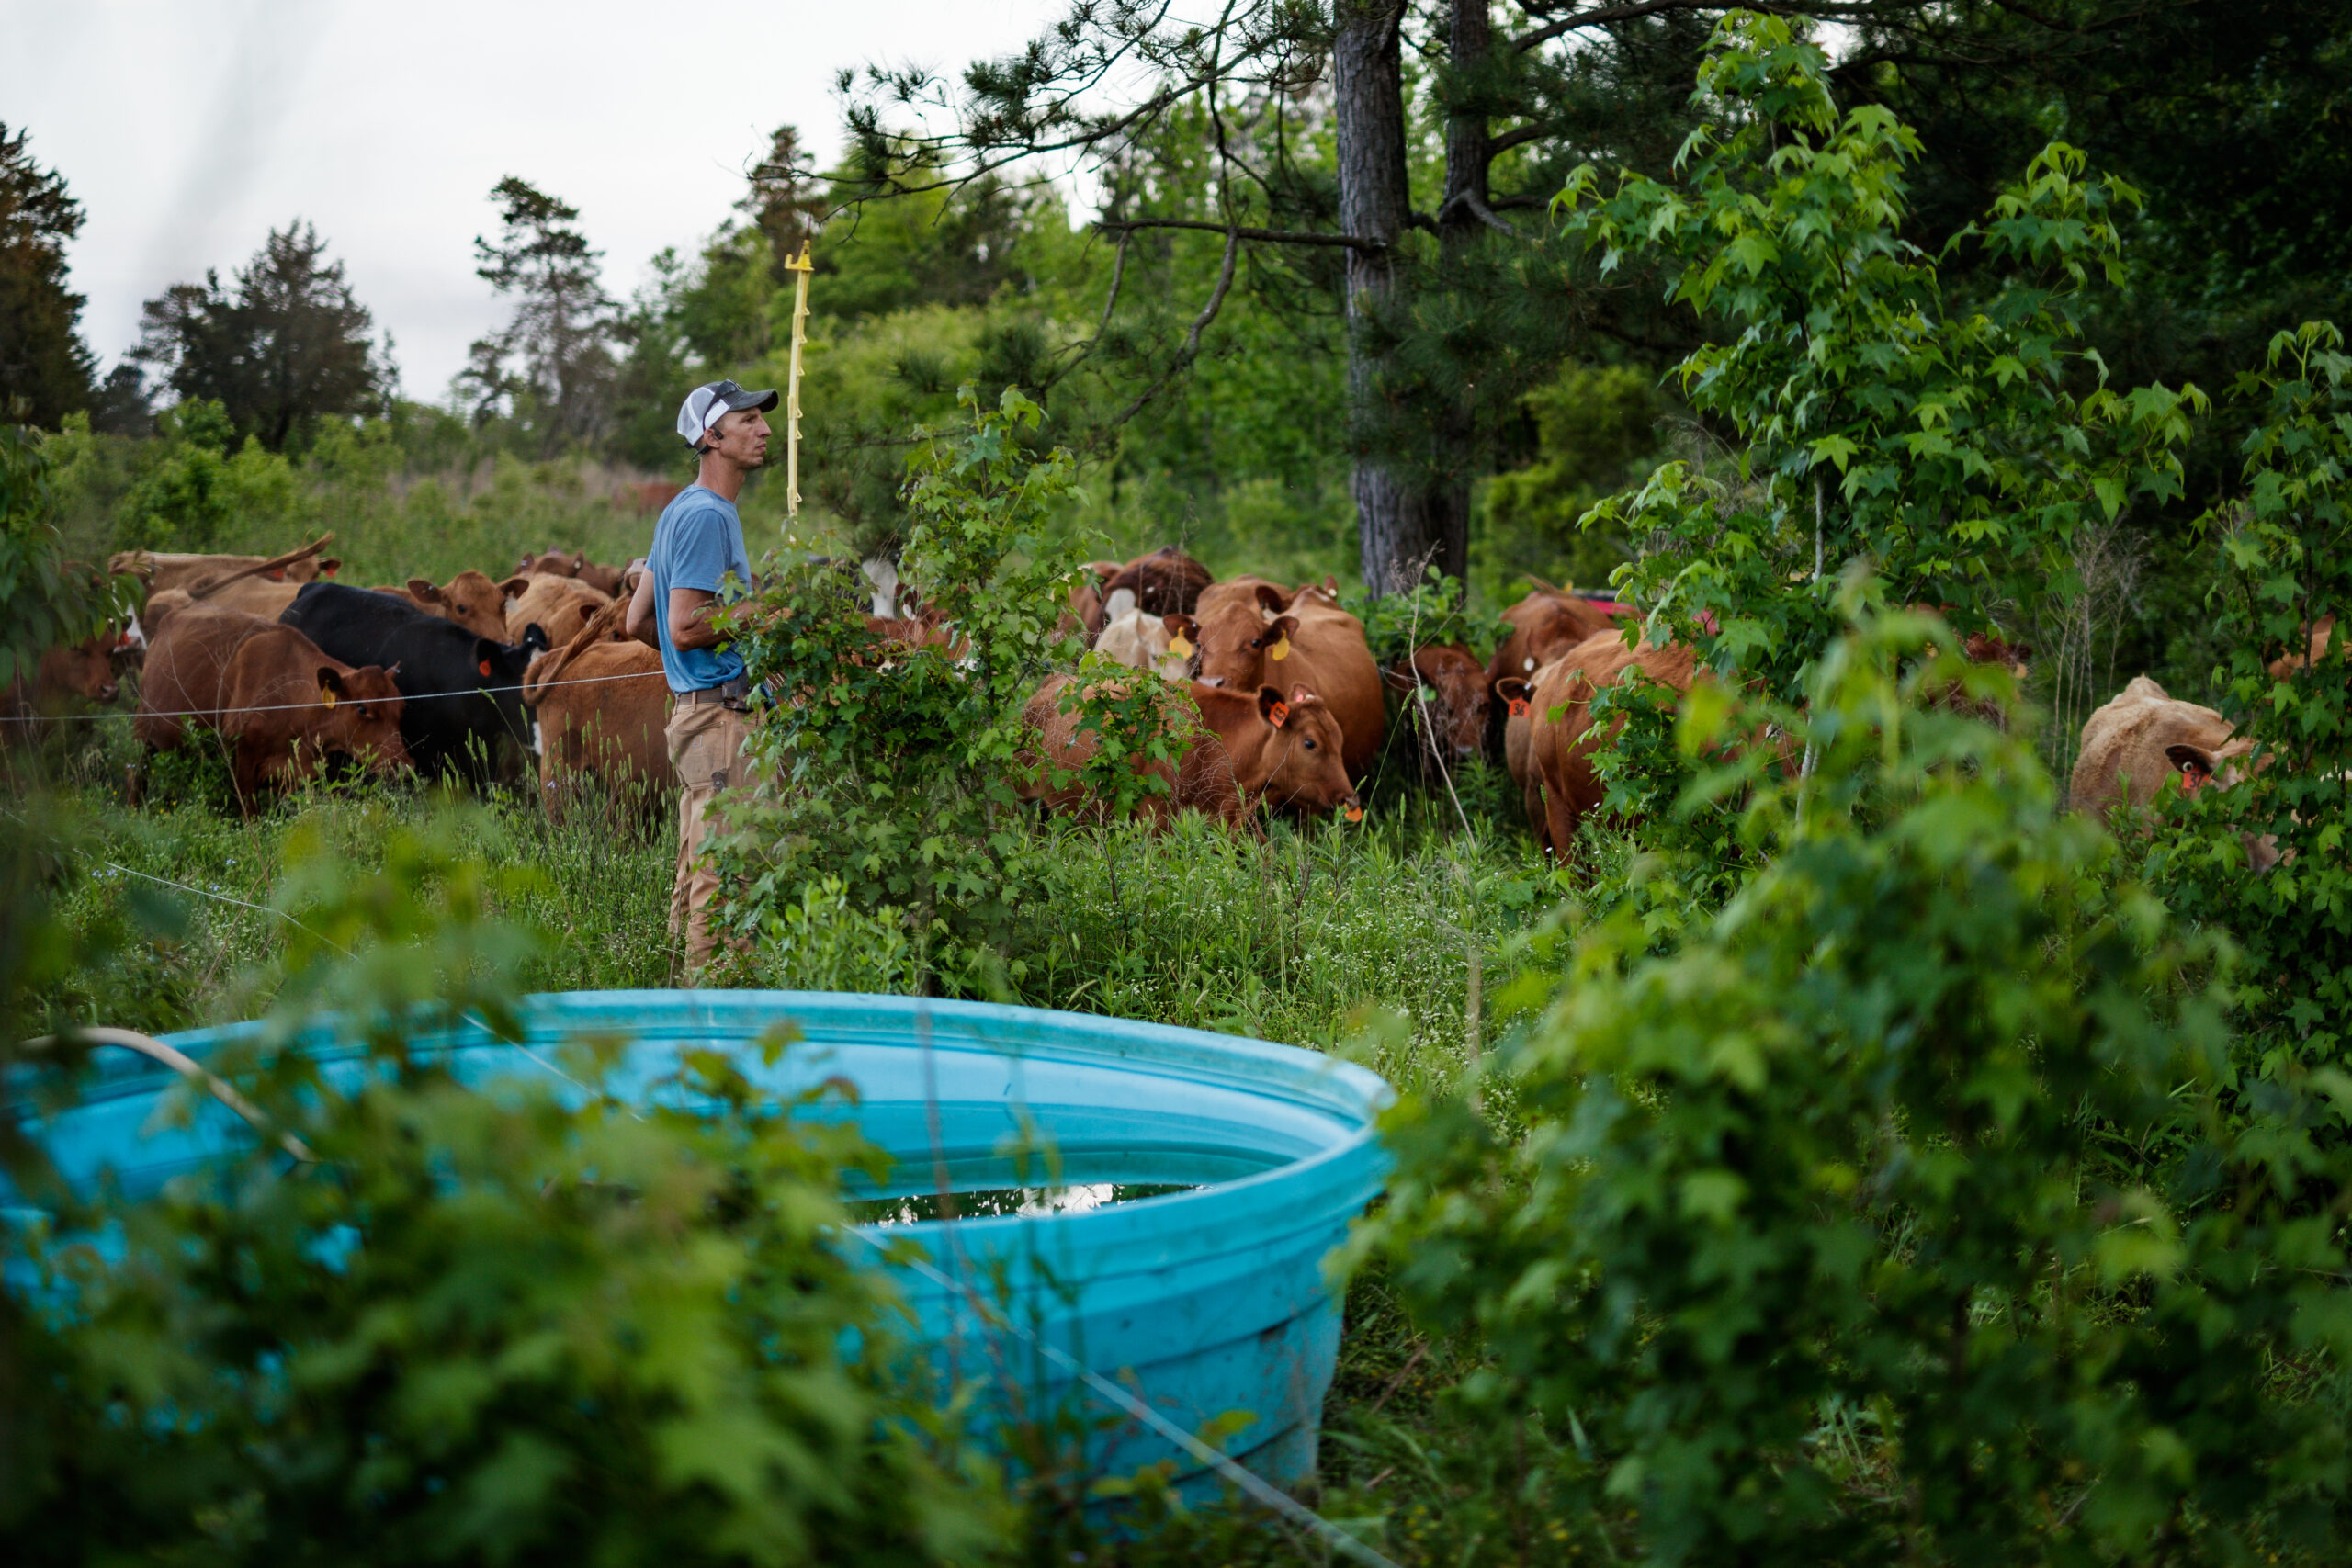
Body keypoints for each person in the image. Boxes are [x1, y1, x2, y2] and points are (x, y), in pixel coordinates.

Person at [626, 378, 777, 975]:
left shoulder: (679, 511)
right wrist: (768, 611)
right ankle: (716, 1016)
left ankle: (670, 990)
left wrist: (686, 661)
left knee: (696, 866)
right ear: (711, 436)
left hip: (697, 711)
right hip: (719, 717)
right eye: (747, 422)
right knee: (726, 876)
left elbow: (642, 619)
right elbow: (685, 625)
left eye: (762, 420)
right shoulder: (708, 517)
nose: (764, 430)